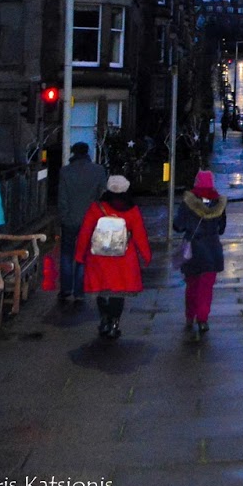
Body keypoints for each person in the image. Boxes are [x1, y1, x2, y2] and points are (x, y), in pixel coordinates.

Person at [74, 175, 151, 340]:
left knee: (101, 290)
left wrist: (80, 255)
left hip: (99, 257)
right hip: (123, 258)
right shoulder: (132, 210)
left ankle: (104, 319)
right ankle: (114, 323)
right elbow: (140, 235)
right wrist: (146, 256)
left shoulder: (96, 208)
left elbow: (85, 232)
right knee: (118, 293)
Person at [173, 170, 227, 341]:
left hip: (193, 251)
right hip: (212, 250)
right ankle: (203, 319)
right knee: (206, 287)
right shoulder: (219, 203)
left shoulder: (188, 203)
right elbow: (222, 228)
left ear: (197, 182)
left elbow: (178, 226)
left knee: (192, 286)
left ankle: (190, 316)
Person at [56, 142, 108, 305]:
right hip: (90, 220)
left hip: (70, 218)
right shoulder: (98, 171)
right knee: (83, 255)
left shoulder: (65, 172)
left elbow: (62, 197)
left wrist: (64, 216)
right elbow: (102, 195)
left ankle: (66, 289)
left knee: (66, 254)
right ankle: (79, 291)